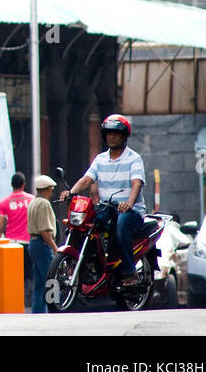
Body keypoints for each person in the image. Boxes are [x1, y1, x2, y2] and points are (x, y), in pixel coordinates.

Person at [60, 114, 147, 286]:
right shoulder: (100, 159)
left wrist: (129, 203)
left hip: (130, 211)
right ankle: (85, 264)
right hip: (106, 208)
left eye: (116, 133)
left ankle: (130, 272)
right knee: (84, 224)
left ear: (124, 136)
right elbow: (87, 180)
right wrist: (71, 192)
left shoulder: (134, 158)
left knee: (122, 224)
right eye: (108, 133)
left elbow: (137, 183)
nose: (111, 136)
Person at [0, 172, 35, 303]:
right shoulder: (32, 200)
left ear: (11, 185)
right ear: (24, 184)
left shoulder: (3, 203)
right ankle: (27, 300)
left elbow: (0, 227)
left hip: (11, 244)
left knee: (12, 274)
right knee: (28, 273)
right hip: (27, 242)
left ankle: (14, 299)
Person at [28, 175, 59, 313]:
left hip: (33, 244)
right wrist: (54, 247)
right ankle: (54, 309)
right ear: (46, 190)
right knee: (51, 279)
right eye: (51, 189)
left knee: (39, 284)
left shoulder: (34, 202)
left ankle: (38, 312)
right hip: (42, 244)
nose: (52, 192)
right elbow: (44, 230)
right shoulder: (44, 204)